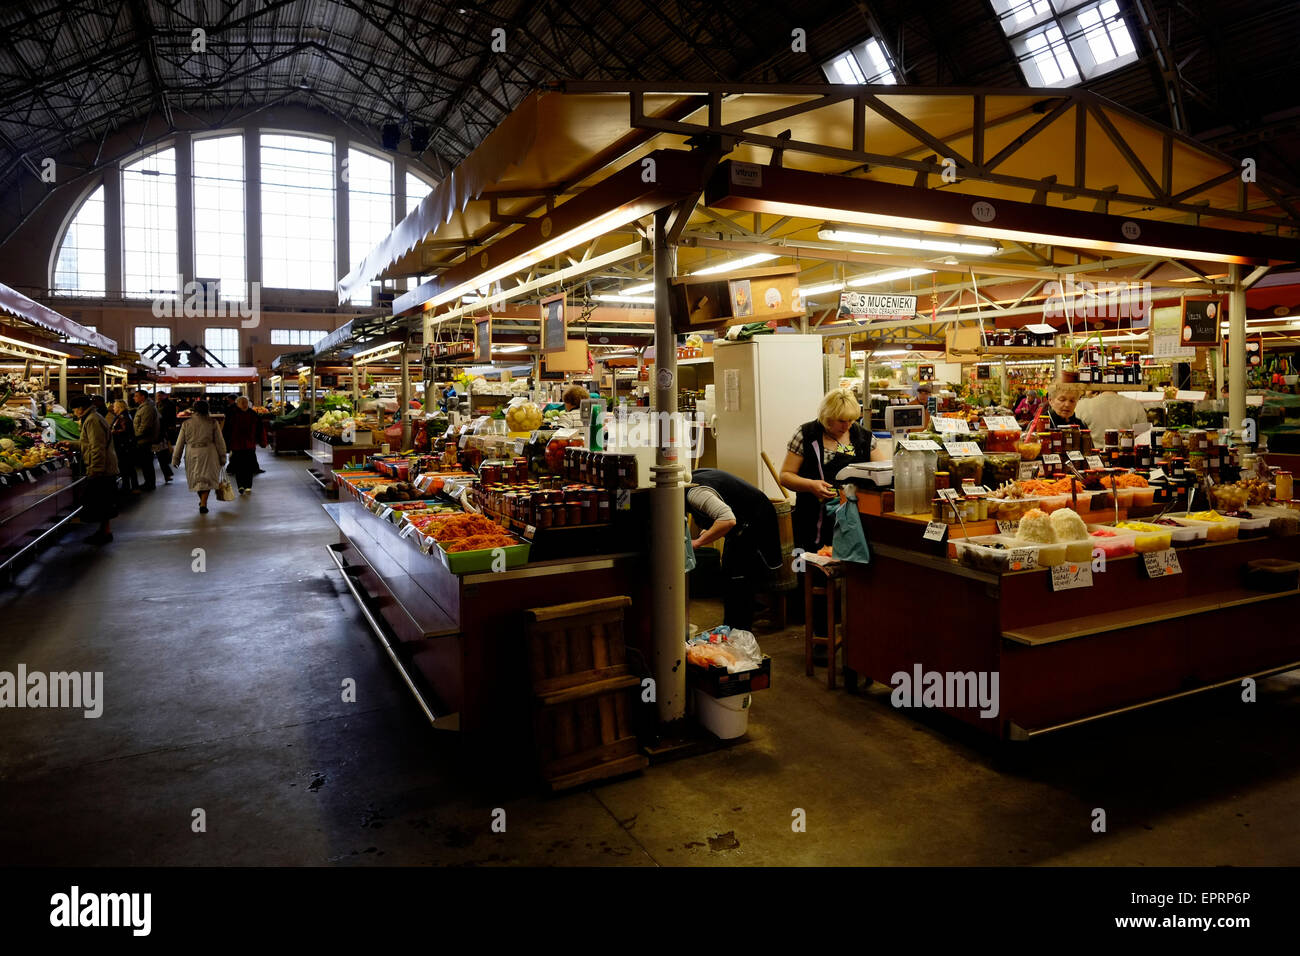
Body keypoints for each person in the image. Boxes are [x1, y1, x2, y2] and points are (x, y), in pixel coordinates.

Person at [778, 388, 875, 553]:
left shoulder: (863, 438)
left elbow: (881, 471)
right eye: (841, 421)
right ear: (827, 416)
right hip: (812, 518)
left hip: (853, 520)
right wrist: (810, 485)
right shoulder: (806, 435)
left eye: (851, 420)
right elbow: (785, 476)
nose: (847, 426)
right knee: (813, 569)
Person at [686, 468, 782, 632]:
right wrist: (708, 531)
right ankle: (733, 630)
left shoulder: (694, 493)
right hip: (744, 519)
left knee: (739, 578)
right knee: (731, 575)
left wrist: (698, 542)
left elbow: (727, 520)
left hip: (755, 519)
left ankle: (738, 633)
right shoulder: (692, 481)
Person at [70, 395, 118, 545]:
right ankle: (104, 531)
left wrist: (96, 469)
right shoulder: (92, 417)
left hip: (102, 468)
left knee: (102, 502)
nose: (74, 413)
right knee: (104, 502)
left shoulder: (92, 420)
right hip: (104, 466)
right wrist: (70, 444)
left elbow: (97, 447)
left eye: (74, 409)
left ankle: (105, 533)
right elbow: (88, 443)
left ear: (80, 408)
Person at [172, 400, 228, 514]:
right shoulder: (212, 422)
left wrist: (176, 458)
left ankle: (203, 502)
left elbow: (180, 442)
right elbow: (219, 441)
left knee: (196, 479)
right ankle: (203, 502)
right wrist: (223, 456)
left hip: (192, 453)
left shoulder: (186, 423)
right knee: (207, 479)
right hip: (209, 453)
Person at [223, 395, 267, 495]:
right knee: (238, 466)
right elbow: (226, 431)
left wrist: (262, 441)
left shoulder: (253, 414)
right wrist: (226, 444)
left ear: (248, 404)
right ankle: (240, 486)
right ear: (237, 404)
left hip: (249, 444)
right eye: (241, 403)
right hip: (236, 445)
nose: (244, 404)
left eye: (245, 402)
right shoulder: (232, 415)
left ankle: (248, 485)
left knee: (249, 466)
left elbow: (260, 429)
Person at [1075, 389, 1151, 436]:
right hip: (1125, 457)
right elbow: (1143, 438)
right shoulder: (1135, 405)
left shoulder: (1082, 405)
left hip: (1093, 458)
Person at [131, 389, 163, 490]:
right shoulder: (144, 407)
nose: (134, 398)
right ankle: (148, 482)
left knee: (147, 463)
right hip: (143, 439)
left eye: (136, 396)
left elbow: (145, 426)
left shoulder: (147, 408)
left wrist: (135, 436)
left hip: (145, 440)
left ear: (143, 397)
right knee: (145, 463)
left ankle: (149, 484)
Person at [106, 400, 138, 494]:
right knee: (127, 467)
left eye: (115, 406)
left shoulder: (123, 417)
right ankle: (129, 486)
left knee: (126, 467)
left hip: (124, 446)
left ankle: (128, 487)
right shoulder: (123, 416)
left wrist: (113, 432)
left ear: (119, 407)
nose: (113, 408)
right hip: (125, 445)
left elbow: (125, 430)